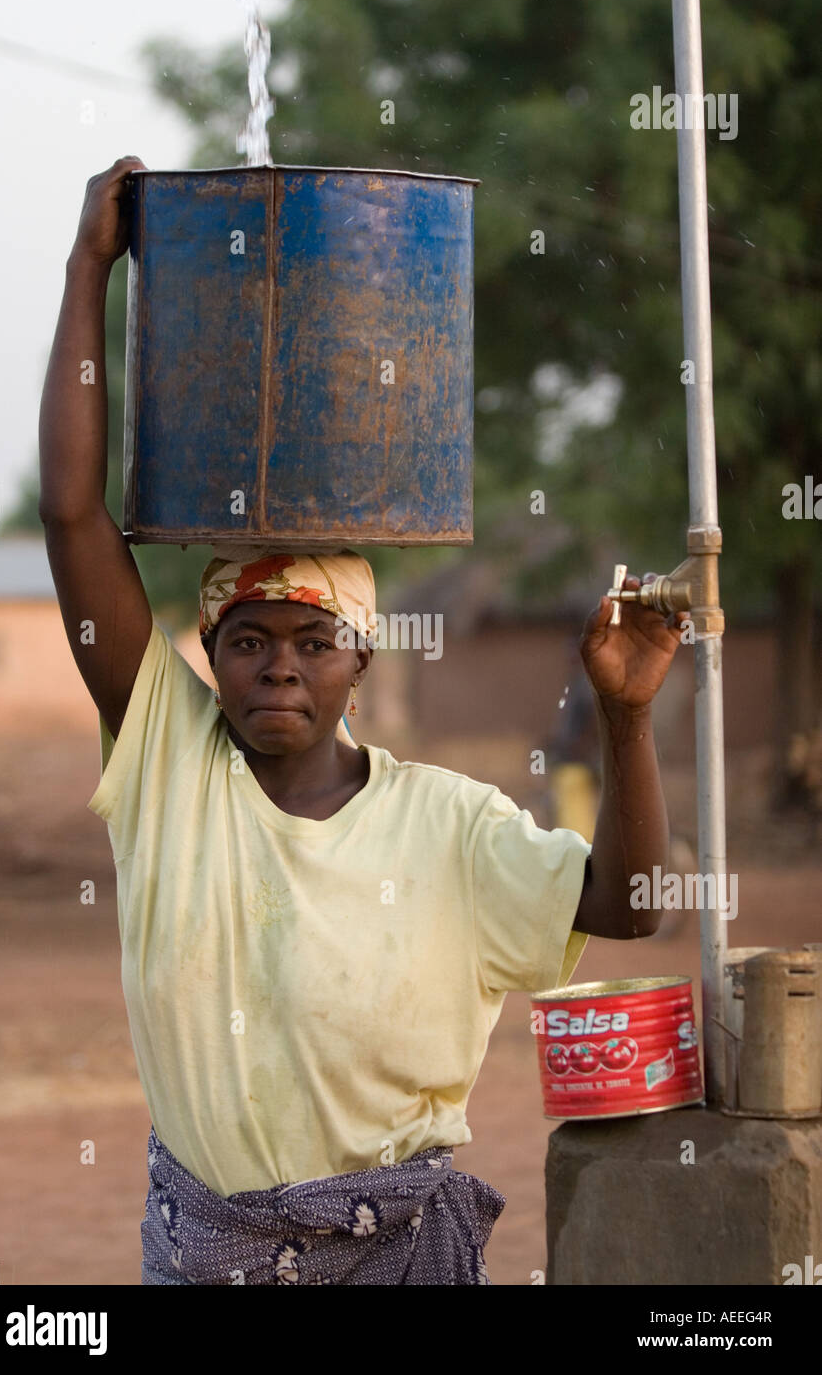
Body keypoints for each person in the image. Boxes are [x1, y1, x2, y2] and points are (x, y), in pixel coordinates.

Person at [39, 157, 689, 1286]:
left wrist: (622, 716)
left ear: (360, 658)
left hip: (398, 1261)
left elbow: (630, 905)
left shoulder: (447, 827)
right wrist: (89, 264)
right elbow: (70, 513)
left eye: (311, 643)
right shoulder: (166, 764)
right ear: (207, 654)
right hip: (205, 1255)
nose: (276, 670)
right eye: (246, 641)